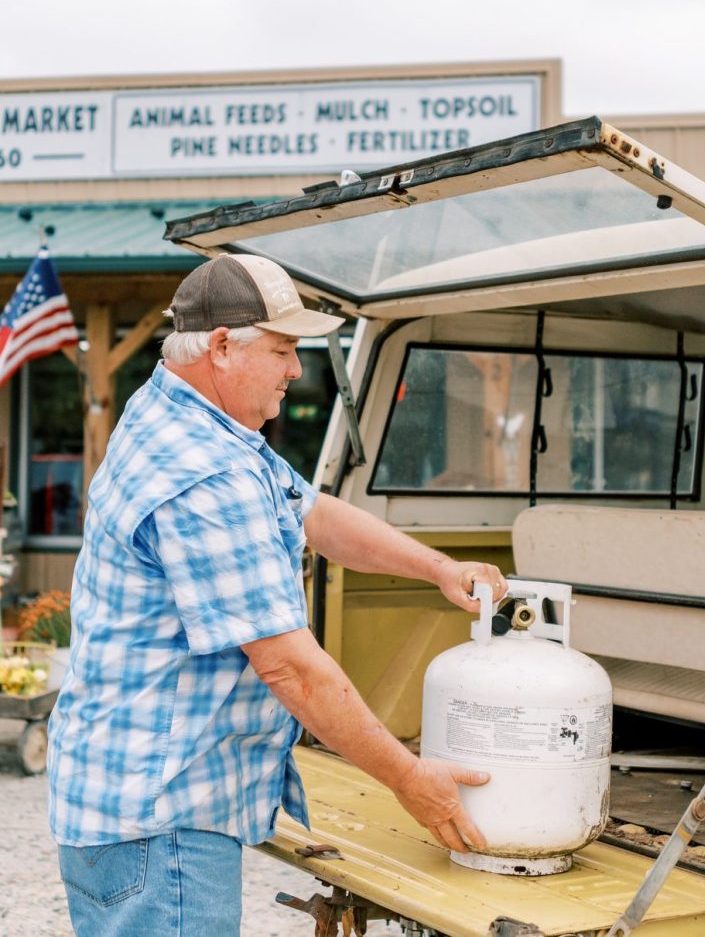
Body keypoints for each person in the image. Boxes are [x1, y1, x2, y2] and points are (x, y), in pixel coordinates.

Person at [48, 252, 507, 936]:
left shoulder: (185, 415)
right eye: (283, 349)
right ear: (222, 347)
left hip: (134, 804)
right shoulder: (204, 474)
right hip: (159, 823)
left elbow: (311, 512)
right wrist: (410, 779)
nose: (295, 369)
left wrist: (437, 567)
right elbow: (290, 667)